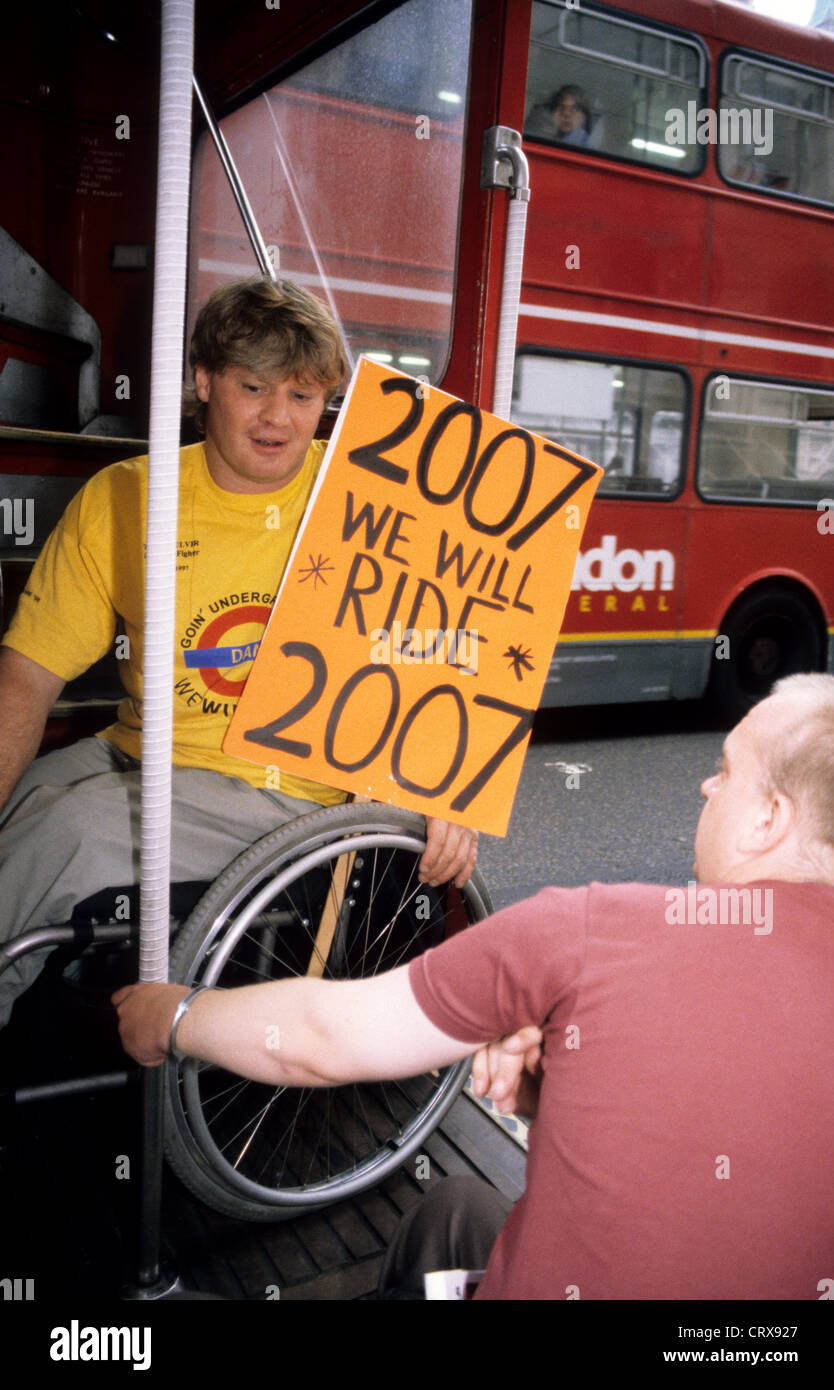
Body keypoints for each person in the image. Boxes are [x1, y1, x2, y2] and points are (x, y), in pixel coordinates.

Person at [115, 672, 834, 1299]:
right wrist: (553, 1087)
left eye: (725, 769)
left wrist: (174, 1014)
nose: (705, 783)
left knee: (449, 1213)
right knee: (462, 1208)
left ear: (767, 819)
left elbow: (323, 1038)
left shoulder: (594, 929)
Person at [0, 278, 477, 1027]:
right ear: (203, 381)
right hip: (145, 748)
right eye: (254, 387)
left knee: (63, 835)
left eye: (304, 396)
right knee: (27, 798)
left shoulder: (374, 503)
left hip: (292, 786)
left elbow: (449, 644)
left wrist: (446, 787)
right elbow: (28, 671)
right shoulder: (127, 497)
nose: (278, 419)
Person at [526, 84, 592, 147]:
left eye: (574, 109)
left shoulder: (581, 139)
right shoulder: (543, 138)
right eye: (561, 108)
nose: (566, 114)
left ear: (583, 116)